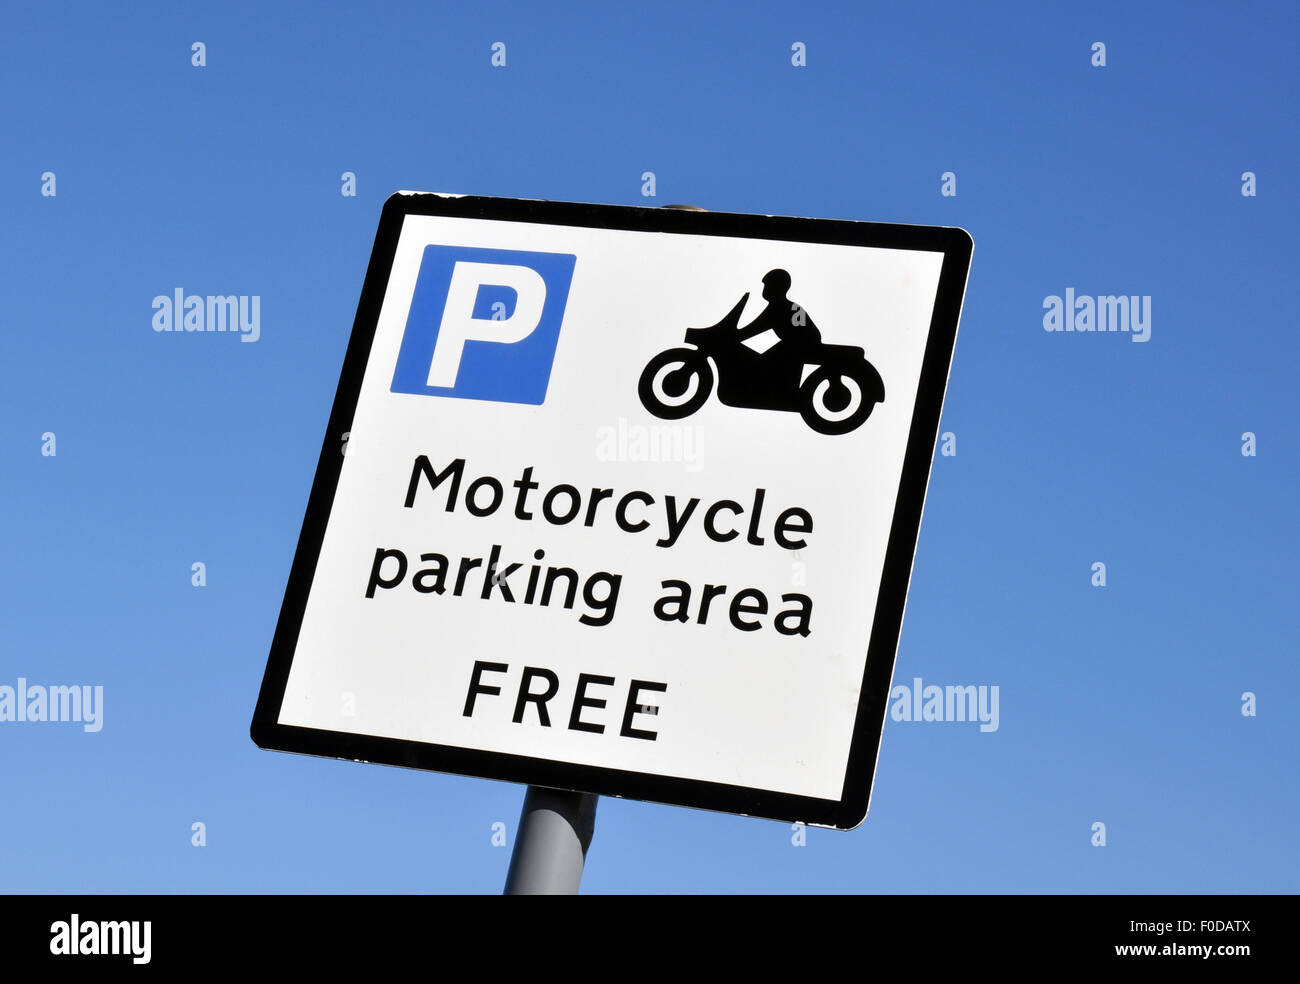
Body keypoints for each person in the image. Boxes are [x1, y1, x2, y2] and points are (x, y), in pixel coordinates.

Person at [734, 269, 822, 397]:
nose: (764, 289)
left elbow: (753, 329)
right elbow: (754, 328)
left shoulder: (780, 307)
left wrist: (734, 336)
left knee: (762, 363)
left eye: (767, 285)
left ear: (777, 287)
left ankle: (780, 391)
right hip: (796, 343)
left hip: (799, 344)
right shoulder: (789, 306)